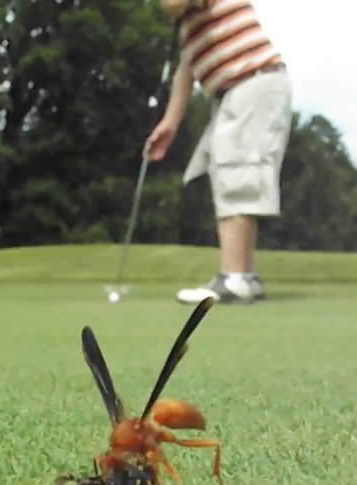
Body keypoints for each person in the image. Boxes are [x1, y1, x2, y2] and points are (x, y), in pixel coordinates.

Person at [145, 0, 293, 305]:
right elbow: (186, 70)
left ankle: (234, 278)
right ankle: (244, 277)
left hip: (251, 80)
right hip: (239, 90)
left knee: (236, 172)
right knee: (229, 170)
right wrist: (170, 123)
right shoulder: (191, 23)